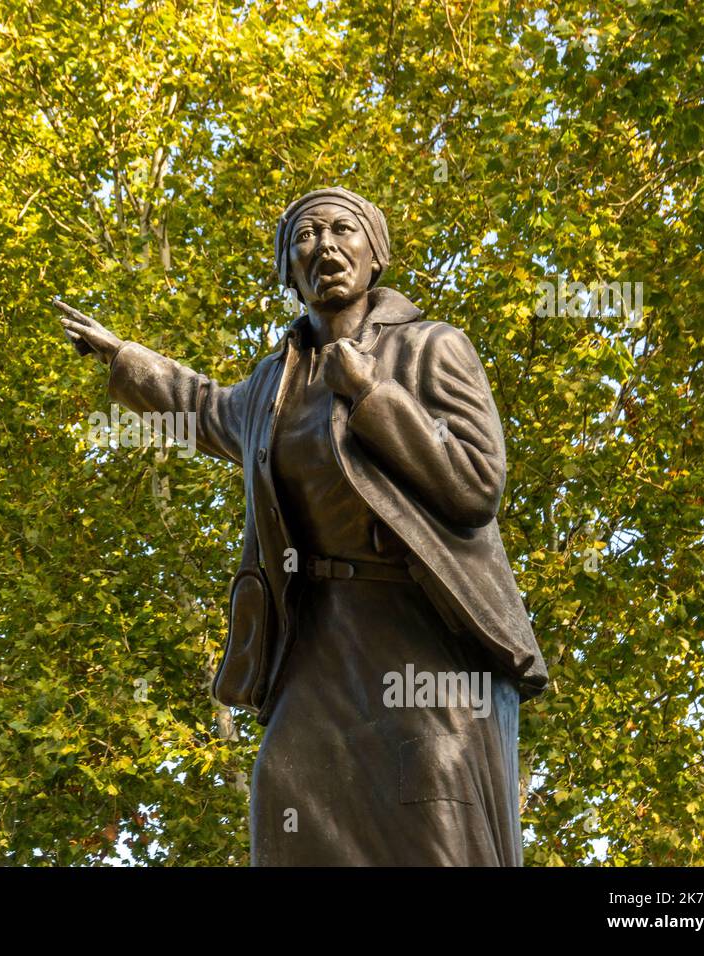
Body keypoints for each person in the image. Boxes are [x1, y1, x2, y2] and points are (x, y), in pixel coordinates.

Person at [55, 186, 547, 866]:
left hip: (421, 634)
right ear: (289, 270)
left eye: (344, 230)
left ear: (377, 257)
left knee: (434, 813)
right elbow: (201, 408)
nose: (324, 246)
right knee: (285, 799)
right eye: (304, 238)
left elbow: (474, 485)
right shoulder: (271, 386)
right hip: (318, 640)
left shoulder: (432, 348)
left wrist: (374, 397)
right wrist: (124, 359)